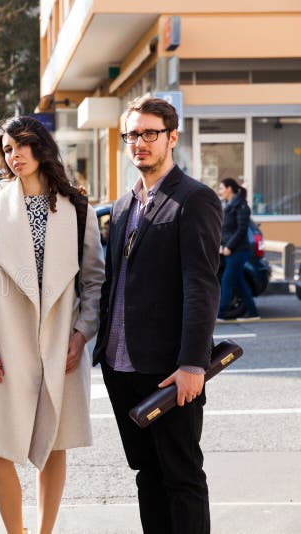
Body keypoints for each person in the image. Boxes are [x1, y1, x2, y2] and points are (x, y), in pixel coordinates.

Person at [0, 115, 105, 534]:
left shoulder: (78, 209)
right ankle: (15, 531)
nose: (14, 155)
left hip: (61, 342)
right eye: (7, 149)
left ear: (40, 147)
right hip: (3, 345)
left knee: (55, 443)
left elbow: (95, 282)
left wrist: (81, 335)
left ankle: (44, 531)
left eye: (21, 145)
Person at [93, 97, 222, 534]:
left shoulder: (194, 199)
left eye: (150, 133)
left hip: (170, 371)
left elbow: (201, 286)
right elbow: (114, 281)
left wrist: (192, 363)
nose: (140, 143)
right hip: (121, 366)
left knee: (182, 476)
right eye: (133, 135)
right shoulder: (123, 205)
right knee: (147, 474)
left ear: (172, 137)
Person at [217, 177, 260, 320]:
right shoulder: (227, 205)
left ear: (229, 189)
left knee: (227, 280)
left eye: (222, 188)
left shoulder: (241, 206)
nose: (220, 191)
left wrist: (229, 246)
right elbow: (225, 230)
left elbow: (241, 230)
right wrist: (222, 245)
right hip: (230, 250)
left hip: (239, 251)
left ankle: (220, 314)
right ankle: (253, 312)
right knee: (239, 282)